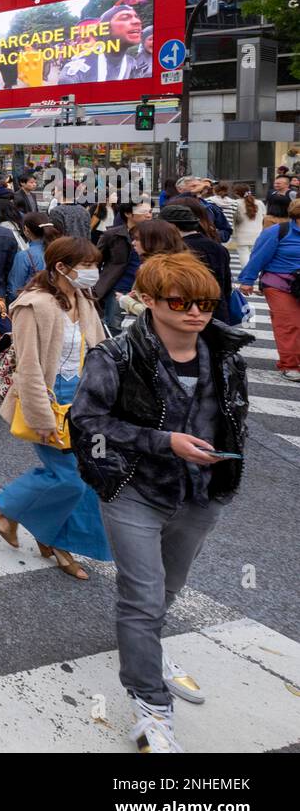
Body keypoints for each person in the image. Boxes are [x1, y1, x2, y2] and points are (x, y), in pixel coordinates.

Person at [71, 253, 252, 753]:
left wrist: (228, 466)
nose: (196, 312)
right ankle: (151, 707)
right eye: (181, 302)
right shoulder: (116, 356)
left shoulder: (227, 353)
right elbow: (87, 424)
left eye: (206, 303)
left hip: (203, 493)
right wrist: (163, 440)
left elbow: (234, 418)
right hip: (136, 489)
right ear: (147, 300)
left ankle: (147, 649)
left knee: (168, 589)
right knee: (143, 597)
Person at [0, 236, 110, 580]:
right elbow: (27, 366)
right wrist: (41, 416)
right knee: (68, 477)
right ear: (61, 267)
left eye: (94, 265)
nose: (93, 272)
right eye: (87, 266)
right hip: (49, 398)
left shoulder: (83, 298)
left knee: (86, 477)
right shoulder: (34, 305)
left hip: (85, 399)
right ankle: (7, 505)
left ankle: (55, 539)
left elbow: (99, 349)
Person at [238, 196, 300, 380]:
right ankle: (290, 365)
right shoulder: (277, 232)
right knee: (290, 324)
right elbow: (258, 256)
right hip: (280, 284)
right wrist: (247, 280)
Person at [159, 202, 232, 325]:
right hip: (216, 308)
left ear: (172, 226)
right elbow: (226, 284)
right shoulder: (218, 247)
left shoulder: (178, 250)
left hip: (187, 312)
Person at [93, 200, 152, 333]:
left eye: (150, 212)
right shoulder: (112, 235)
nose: (148, 215)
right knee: (115, 327)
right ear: (128, 213)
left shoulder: (153, 235)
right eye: (143, 212)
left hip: (144, 288)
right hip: (118, 287)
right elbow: (96, 260)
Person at [9, 212, 59, 303]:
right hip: (58, 302)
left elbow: (15, 290)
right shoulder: (60, 250)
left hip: (32, 304)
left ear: (26, 230)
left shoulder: (24, 256)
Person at [230, 183, 264, 269]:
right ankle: (256, 272)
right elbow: (264, 217)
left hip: (241, 233)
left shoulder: (234, 203)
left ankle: (247, 273)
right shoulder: (259, 203)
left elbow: (232, 219)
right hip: (258, 233)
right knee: (255, 254)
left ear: (236, 193)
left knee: (243, 253)